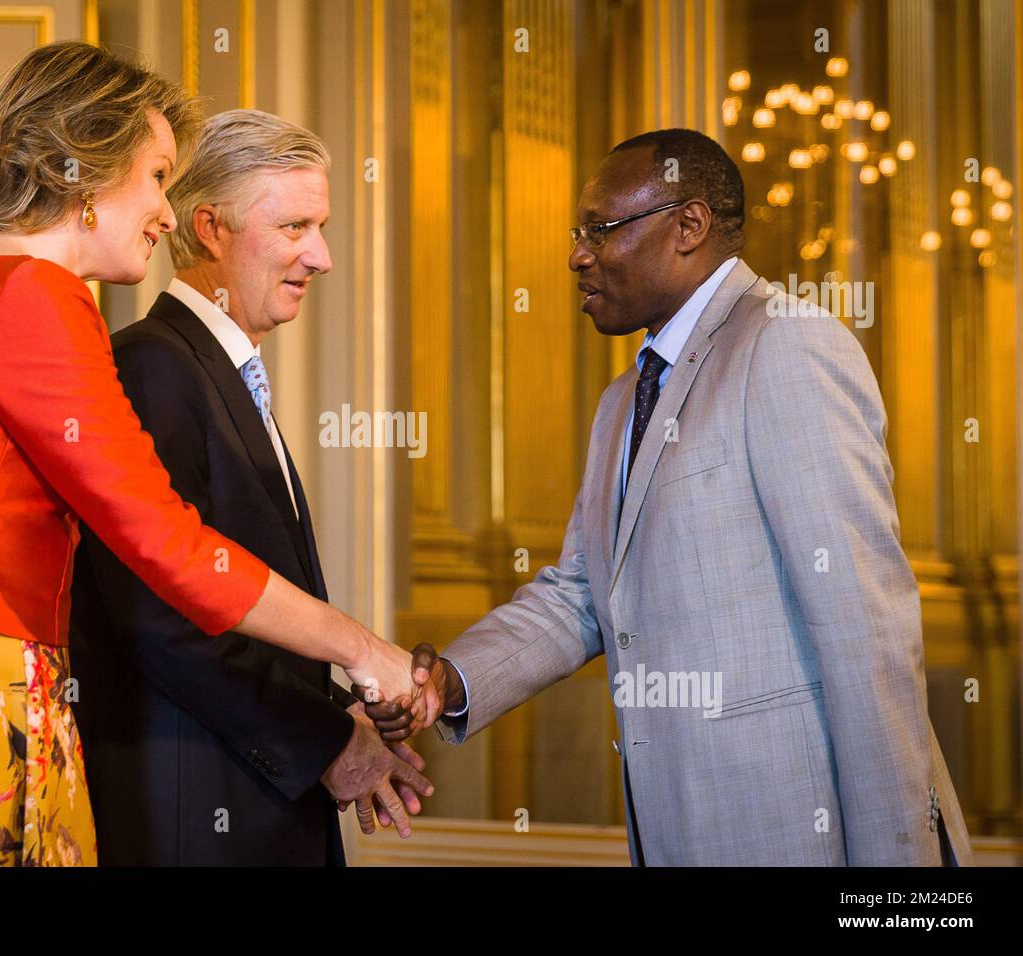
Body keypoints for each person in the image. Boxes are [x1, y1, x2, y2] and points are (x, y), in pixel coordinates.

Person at [0, 41, 427, 868]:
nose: (168, 214)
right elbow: (167, 545)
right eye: (158, 177)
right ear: (85, 172)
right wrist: (362, 649)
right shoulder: (38, 297)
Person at [371, 128, 972, 867]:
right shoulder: (622, 400)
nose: (576, 254)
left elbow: (866, 629)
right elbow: (583, 595)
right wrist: (449, 681)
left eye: (602, 228)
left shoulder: (786, 344)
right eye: (575, 231)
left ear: (688, 226)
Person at [71, 109, 428, 865]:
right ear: (209, 229)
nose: (322, 257)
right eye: (296, 226)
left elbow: (244, 616)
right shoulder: (152, 367)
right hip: (195, 819)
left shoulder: (214, 369)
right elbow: (159, 618)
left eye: (320, 226)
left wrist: (343, 721)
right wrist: (326, 740)